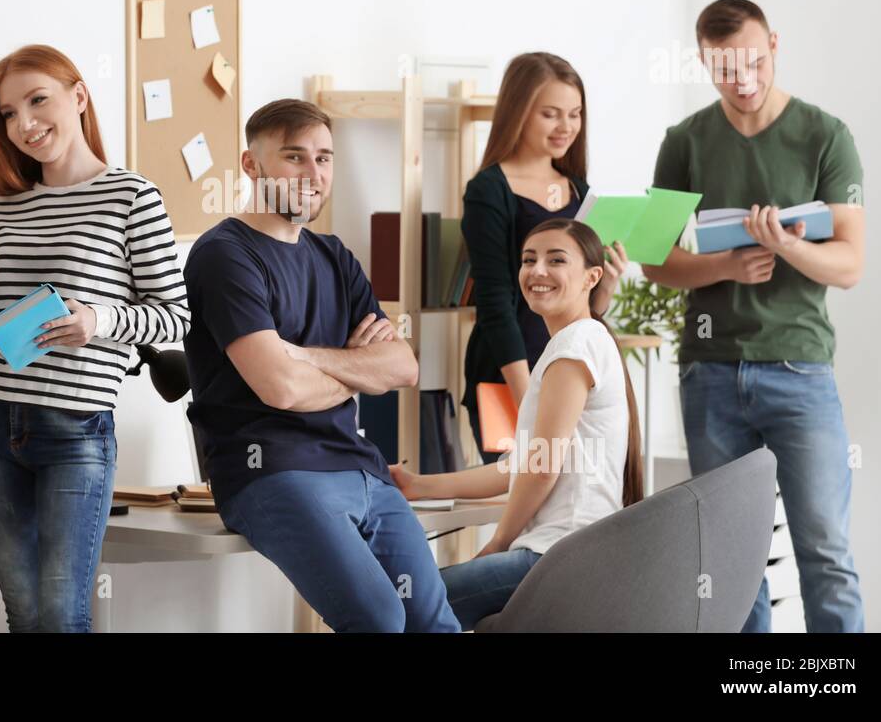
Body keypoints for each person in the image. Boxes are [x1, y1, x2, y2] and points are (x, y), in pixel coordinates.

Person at [183, 98, 460, 633]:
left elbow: (404, 367)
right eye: (294, 157)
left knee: (432, 619)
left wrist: (307, 356)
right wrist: (358, 366)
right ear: (251, 165)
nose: (314, 174)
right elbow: (280, 389)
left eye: (325, 158)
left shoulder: (334, 255)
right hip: (272, 471)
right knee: (379, 618)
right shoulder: (224, 255)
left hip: (360, 467)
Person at [642, 0, 865, 632]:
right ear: (705, 64)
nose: (741, 82)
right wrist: (726, 267)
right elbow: (656, 262)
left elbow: (849, 263)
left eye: (752, 64)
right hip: (710, 372)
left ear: (773, 43)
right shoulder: (684, 142)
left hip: (800, 371)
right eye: (723, 70)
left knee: (825, 551)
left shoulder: (825, 135)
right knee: (732, 561)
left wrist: (787, 244)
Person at [0, 45, 189, 632]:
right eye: (8, 113)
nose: (24, 124)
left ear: (78, 96)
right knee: (24, 613)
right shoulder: (4, 208)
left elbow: (177, 316)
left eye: (38, 101)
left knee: (61, 615)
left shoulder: (132, 196)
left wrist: (98, 321)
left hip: (75, 430)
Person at [393, 218, 643, 630]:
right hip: (573, 551)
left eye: (556, 260)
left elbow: (540, 467)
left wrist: (498, 543)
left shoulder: (575, 345)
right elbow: (524, 465)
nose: (538, 271)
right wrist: (419, 484)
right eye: (529, 260)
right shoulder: (580, 341)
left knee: (396, 608)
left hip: (555, 554)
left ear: (591, 277)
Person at [461, 53, 627, 461]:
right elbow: (495, 303)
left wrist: (604, 284)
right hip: (507, 377)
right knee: (515, 498)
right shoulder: (489, 190)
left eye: (575, 114)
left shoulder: (579, 190)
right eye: (550, 114)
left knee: (573, 507)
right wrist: (528, 401)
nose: (566, 127)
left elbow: (588, 309)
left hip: (573, 375)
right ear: (519, 112)